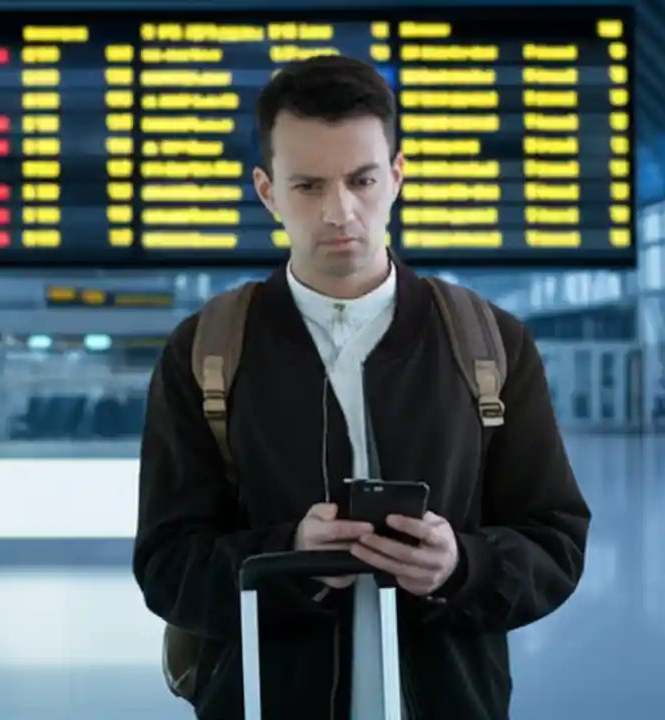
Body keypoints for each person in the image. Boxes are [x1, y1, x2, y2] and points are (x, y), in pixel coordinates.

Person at [132, 55, 591, 719]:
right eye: (309, 186)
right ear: (267, 191)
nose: (339, 211)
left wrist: (461, 566)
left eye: (362, 179)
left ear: (397, 176)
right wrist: (285, 558)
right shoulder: (205, 353)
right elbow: (166, 565)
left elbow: (556, 540)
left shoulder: (490, 343)